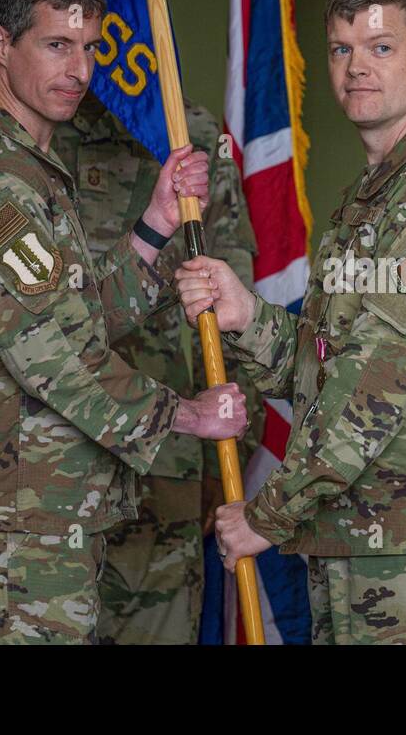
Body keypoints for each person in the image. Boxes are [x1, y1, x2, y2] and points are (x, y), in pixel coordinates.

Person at [176, 0, 406, 644]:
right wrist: (246, 313)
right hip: (365, 546)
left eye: (380, 47)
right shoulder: (373, 198)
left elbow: (375, 386)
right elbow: (328, 366)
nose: (355, 67)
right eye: (341, 49)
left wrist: (266, 515)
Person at [0, 0, 247, 644]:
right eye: (56, 45)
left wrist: (154, 228)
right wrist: (185, 413)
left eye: (91, 47)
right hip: (10, 534)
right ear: (2, 45)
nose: (80, 69)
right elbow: (55, 356)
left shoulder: (26, 163)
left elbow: (75, 315)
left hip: (41, 519)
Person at [54, 91, 262, 644]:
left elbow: (232, 296)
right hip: (46, 468)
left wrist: (234, 452)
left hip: (166, 470)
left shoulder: (184, 130)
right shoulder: (20, 130)